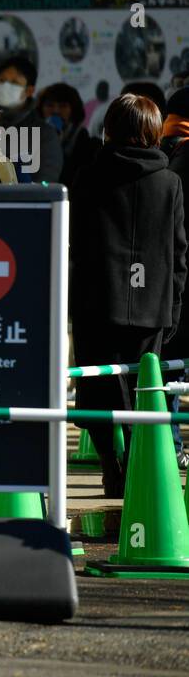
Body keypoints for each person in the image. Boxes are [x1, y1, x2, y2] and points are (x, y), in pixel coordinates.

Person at [70, 94, 186, 497]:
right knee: (144, 391)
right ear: (153, 131)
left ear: (110, 129)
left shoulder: (88, 176)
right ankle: (137, 465)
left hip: (96, 302)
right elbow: (179, 251)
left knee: (96, 388)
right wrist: (173, 304)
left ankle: (110, 466)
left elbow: (76, 243)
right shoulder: (169, 182)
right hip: (152, 304)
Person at [162, 86, 189, 467]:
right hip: (179, 282)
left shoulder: (163, 154)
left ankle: (170, 447)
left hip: (168, 287)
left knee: (169, 372)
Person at [0, 56, 63, 183]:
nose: (5, 86)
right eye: (1, 80)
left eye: (14, 83)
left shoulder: (44, 135)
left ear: (29, 90)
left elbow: (46, 183)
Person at [37, 82, 99, 186]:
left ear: (73, 110)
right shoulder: (29, 142)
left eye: (63, 106)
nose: (56, 111)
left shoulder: (90, 147)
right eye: (50, 105)